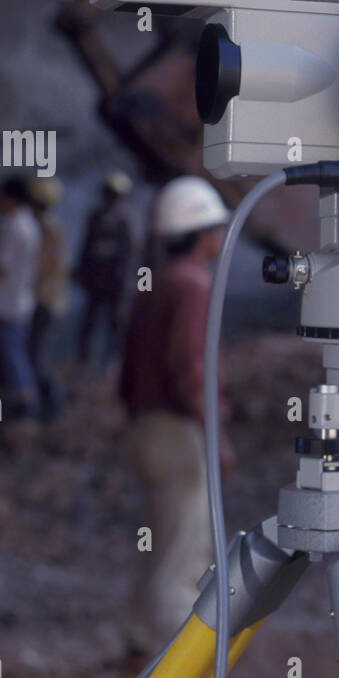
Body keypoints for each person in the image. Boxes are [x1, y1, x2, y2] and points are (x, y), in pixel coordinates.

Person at [118, 175, 235, 653]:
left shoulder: (157, 283)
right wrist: (216, 434)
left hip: (146, 426)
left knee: (163, 540)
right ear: (204, 233)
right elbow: (190, 368)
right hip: (176, 431)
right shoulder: (192, 286)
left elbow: (130, 373)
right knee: (184, 551)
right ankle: (173, 667)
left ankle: (139, 638)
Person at [0, 177, 41, 422]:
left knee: (11, 358)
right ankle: (9, 411)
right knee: (9, 357)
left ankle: (25, 411)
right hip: (18, 301)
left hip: (6, 303)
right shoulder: (28, 225)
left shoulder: (13, 227)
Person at [75, 171, 133, 367]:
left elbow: (130, 252)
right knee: (90, 321)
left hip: (116, 280)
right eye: (110, 194)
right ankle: (84, 360)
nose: (112, 199)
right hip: (96, 279)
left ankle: (113, 361)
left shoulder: (126, 220)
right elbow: (86, 245)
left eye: (116, 195)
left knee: (115, 323)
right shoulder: (95, 217)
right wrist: (81, 271)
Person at [27, 177, 69, 421]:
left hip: (46, 301)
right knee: (35, 355)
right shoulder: (47, 228)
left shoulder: (48, 231)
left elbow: (44, 267)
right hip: (47, 300)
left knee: (36, 356)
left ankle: (51, 407)